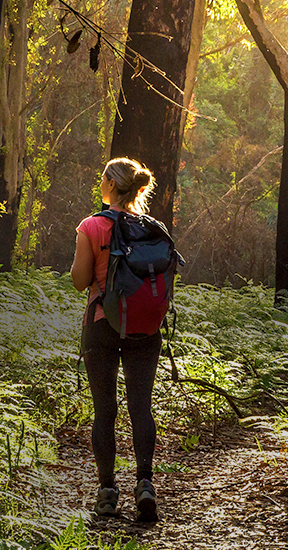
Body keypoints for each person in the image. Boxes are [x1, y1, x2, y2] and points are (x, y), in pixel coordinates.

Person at [71, 157, 162, 523]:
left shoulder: (91, 226)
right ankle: (145, 483)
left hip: (102, 324)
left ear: (110, 183)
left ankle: (107, 491)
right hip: (145, 328)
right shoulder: (154, 228)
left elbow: (79, 281)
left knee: (104, 410)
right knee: (141, 407)